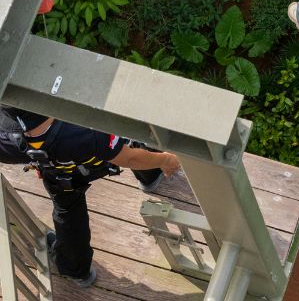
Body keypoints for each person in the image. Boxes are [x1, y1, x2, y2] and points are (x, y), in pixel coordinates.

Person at [0, 106, 180, 287]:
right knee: (129, 139)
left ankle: (76, 270)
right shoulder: (84, 126)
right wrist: (166, 160)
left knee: (69, 215)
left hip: (62, 174)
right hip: (100, 157)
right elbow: (130, 158)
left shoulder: (6, 134)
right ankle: (151, 176)